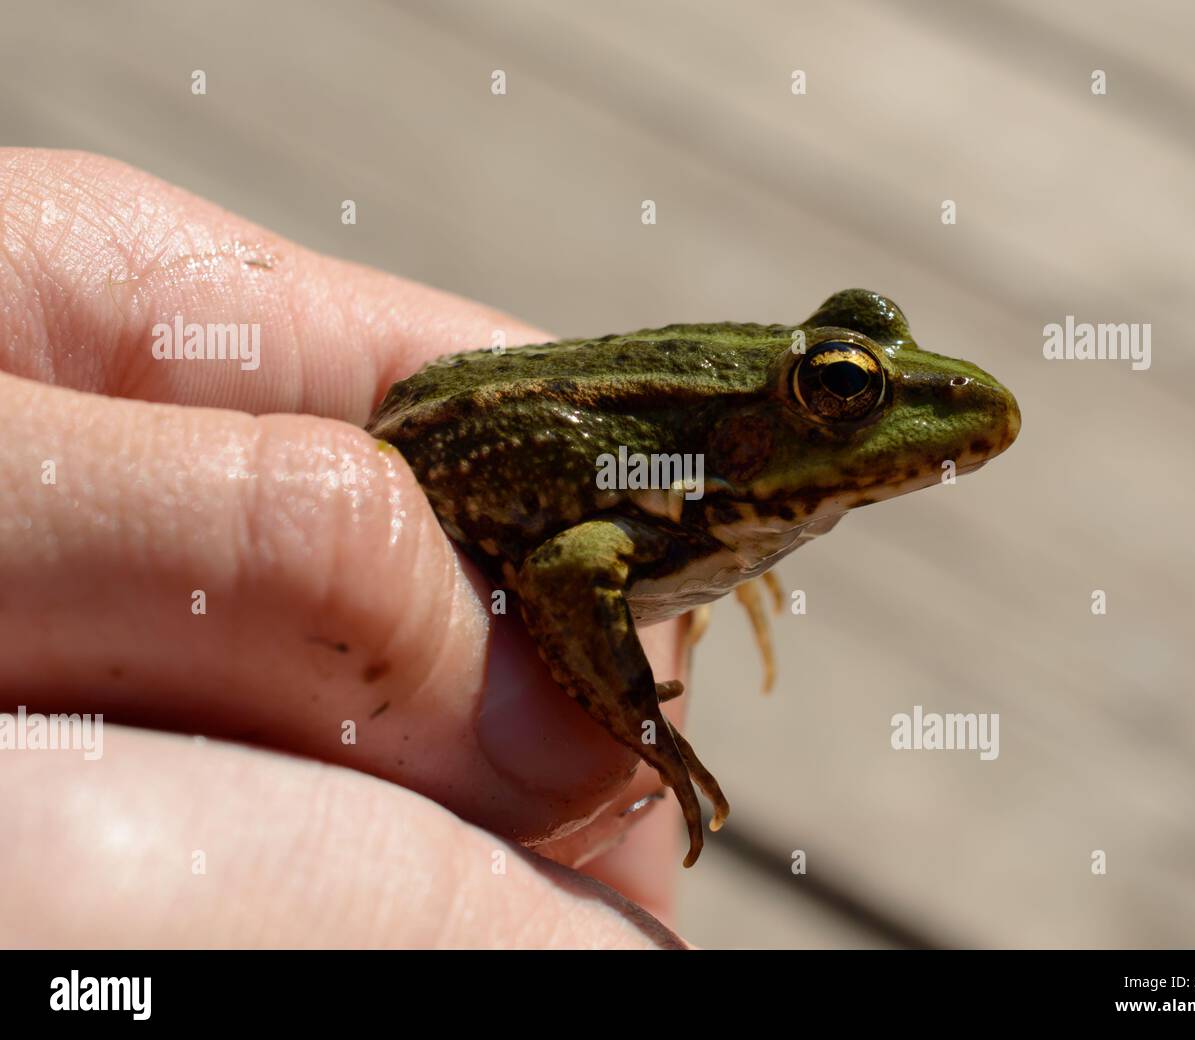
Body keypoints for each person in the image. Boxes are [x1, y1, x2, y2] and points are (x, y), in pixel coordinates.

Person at [0, 149, 687, 949]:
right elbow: (571, 566)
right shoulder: (686, 485)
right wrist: (642, 724)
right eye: (844, 394)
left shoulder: (693, 492)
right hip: (441, 485)